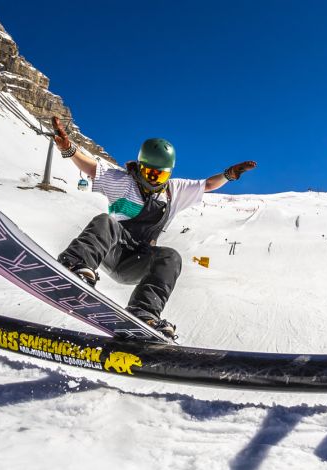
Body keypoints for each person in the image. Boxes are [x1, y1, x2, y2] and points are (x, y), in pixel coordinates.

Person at [51, 117, 256, 339]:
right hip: (112, 251)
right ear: (141, 168)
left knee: (170, 256)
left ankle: (144, 313)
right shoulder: (122, 181)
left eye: (162, 175)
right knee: (106, 221)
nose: (156, 180)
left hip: (137, 262)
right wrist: (68, 149)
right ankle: (74, 265)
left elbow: (207, 185)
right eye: (150, 174)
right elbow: (91, 168)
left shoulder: (173, 191)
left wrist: (229, 175)